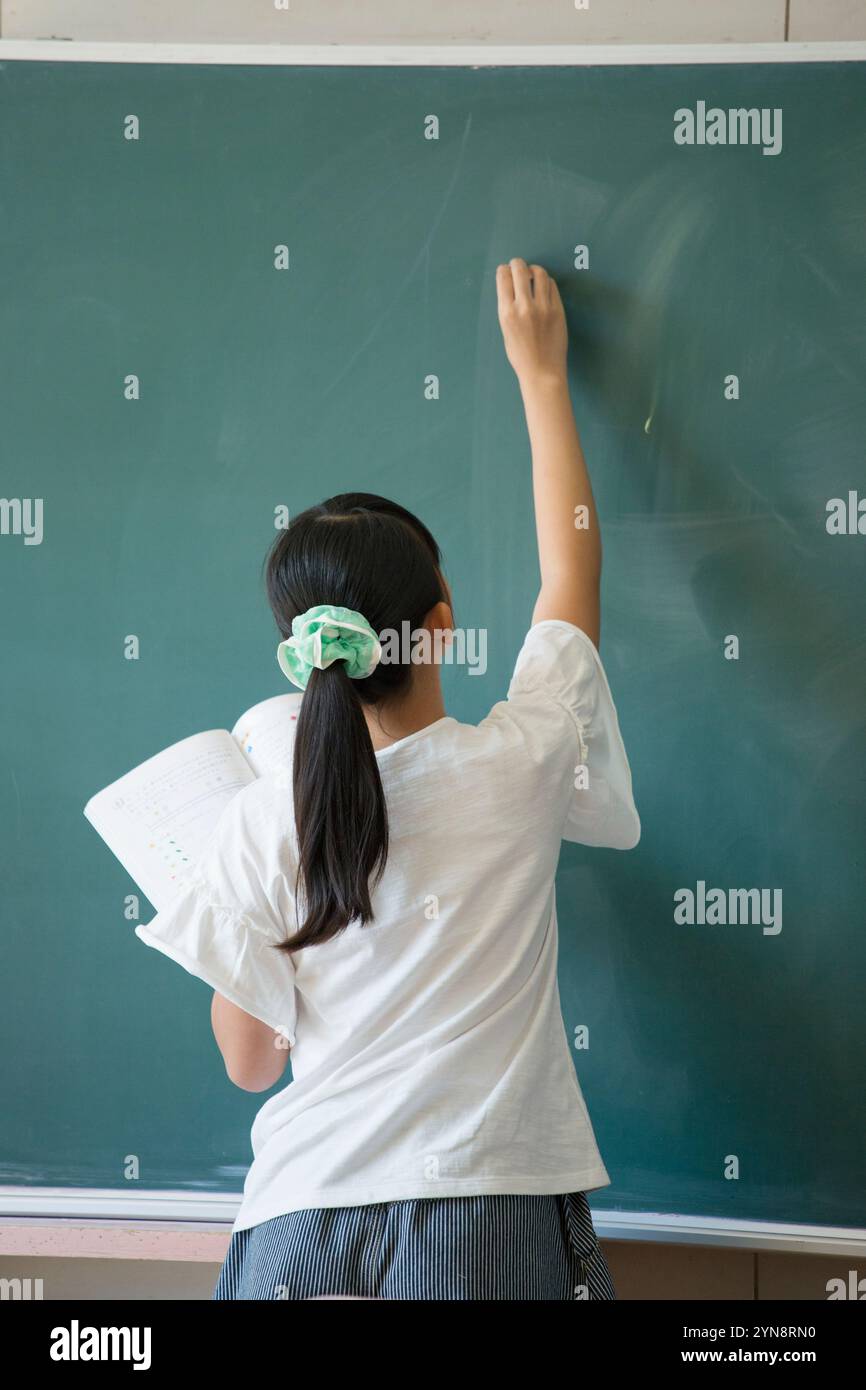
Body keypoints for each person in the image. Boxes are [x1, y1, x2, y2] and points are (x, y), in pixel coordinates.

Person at [136, 258, 640, 1300]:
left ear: (303, 653)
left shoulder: (262, 812)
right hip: (486, 1217)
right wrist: (541, 378)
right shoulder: (522, 761)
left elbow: (249, 1062)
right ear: (439, 629)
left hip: (296, 1216)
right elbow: (570, 574)